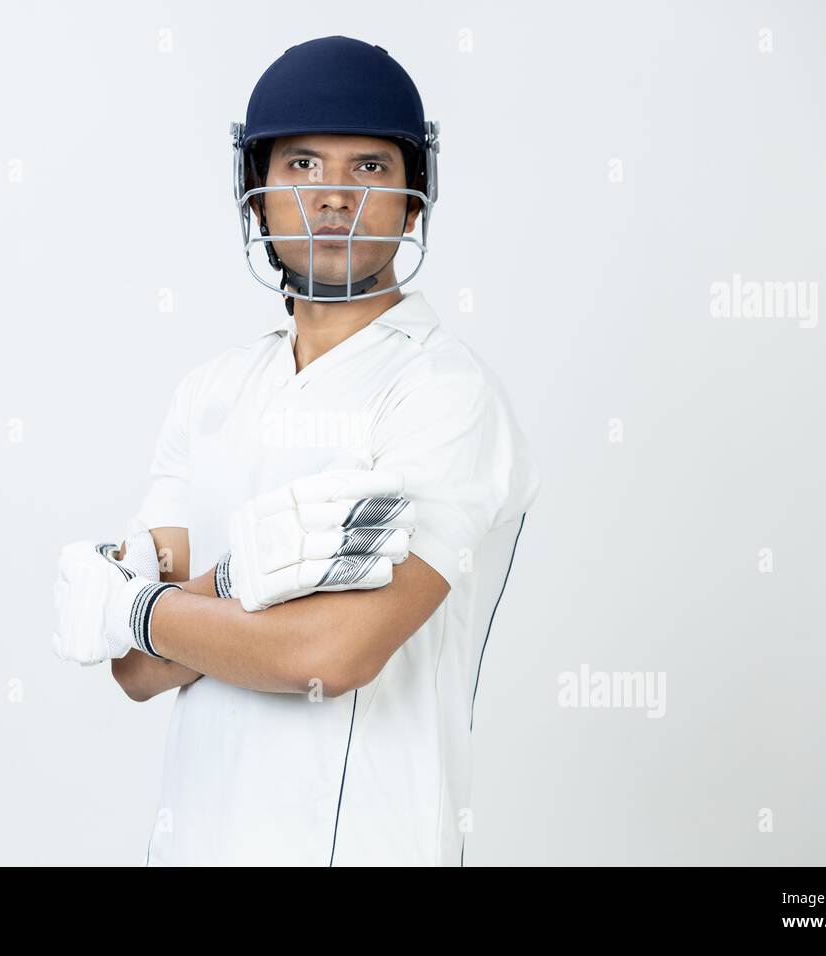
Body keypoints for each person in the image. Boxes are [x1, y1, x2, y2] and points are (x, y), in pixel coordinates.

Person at [52, 35, 540, 866]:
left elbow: (334, 652)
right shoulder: (209, 392)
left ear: (414, 200)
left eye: (372, 168)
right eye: (303, 166)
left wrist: (133, 608)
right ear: (257, 195)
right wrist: (250, 580)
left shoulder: (445, 395)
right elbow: (137, 674)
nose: (335, 196)